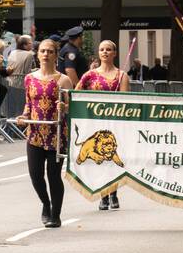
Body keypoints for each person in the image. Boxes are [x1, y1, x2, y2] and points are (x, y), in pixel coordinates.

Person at [16, 39, 74, 228]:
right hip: (34, 133)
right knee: (35, 175)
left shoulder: (63, 79)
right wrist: (24, 116)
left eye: (50, 51)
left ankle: (55, 215)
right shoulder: (30, 78)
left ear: (56, 55)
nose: (46, 54)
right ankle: (45, 204)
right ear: (38, 54)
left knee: (54, 175)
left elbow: (72, 107)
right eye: (42, 51)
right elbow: (29, 103)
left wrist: (64, 106)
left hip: (56, 133)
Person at [79, 40, 130, 210]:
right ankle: (103, 195)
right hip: (95, 124)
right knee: (99, 160)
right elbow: (77, 94)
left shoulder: (122, 75)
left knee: (112, 159)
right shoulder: (89, 75)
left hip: (114, 124)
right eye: (102, 49)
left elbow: (125, 102)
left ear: (114, 53)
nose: (105, 52)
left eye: (108, 49)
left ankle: (113, 192)